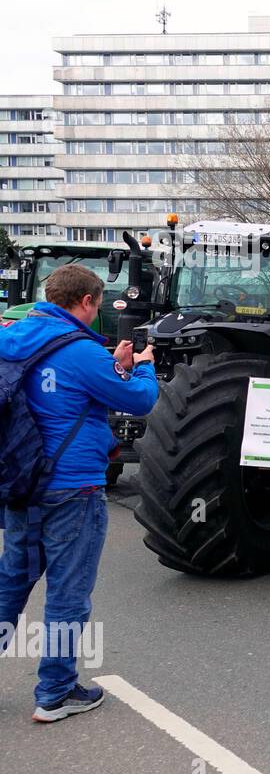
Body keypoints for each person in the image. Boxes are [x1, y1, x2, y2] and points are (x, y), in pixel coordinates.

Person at [0, 264, 158, 723]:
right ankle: (55, 692)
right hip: (73, 487)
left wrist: (113, 366)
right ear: (87, 301)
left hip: (20, 484)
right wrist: (141, 368)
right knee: (67, 593)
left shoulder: (11, 339)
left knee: (11, 583)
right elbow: (140, 402)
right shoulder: (82, 351)